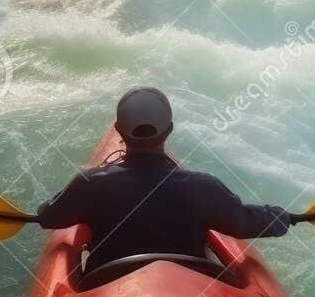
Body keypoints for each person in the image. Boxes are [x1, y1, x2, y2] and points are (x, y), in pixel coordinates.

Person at [35, 87, 292, 271]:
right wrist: (280, 217)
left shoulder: (90, 184)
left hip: (107, 289)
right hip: (189, 289)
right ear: (169, 130)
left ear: (118, 131)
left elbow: (48, 217)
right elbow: (245, 222)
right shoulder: (203, 187)